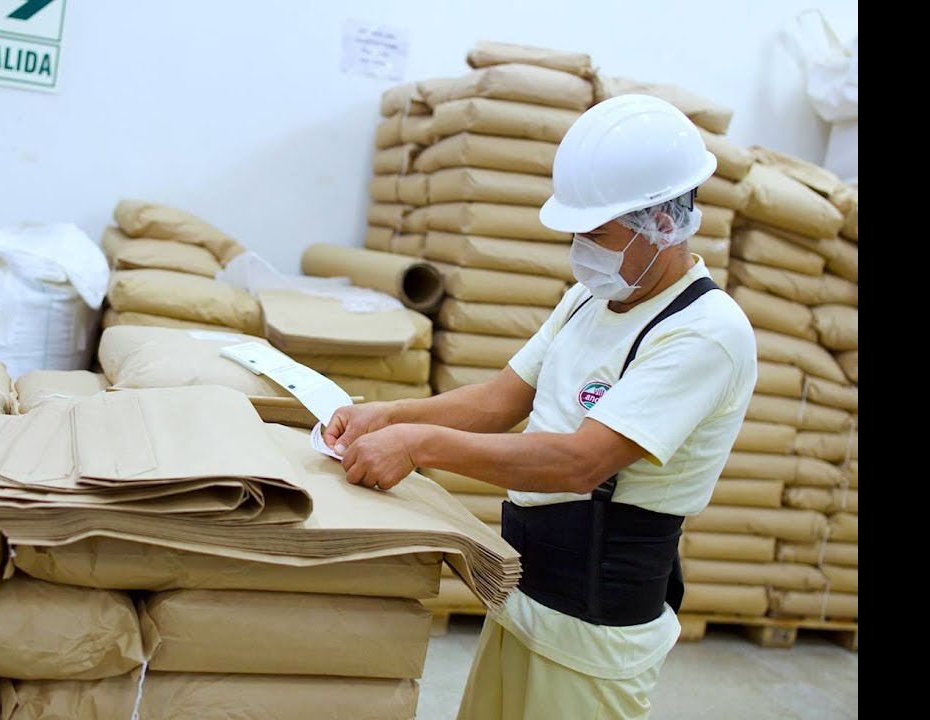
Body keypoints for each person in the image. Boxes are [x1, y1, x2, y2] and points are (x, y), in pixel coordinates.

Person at [322, 94, 758, 719]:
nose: (581, 248)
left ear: (664, 224)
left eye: (598, 233)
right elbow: (499, 402)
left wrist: (419, 447)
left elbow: (582, 462)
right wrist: (389, 416)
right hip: (527, 602)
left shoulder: (704, 332)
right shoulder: (589, 299)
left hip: (595, 635)